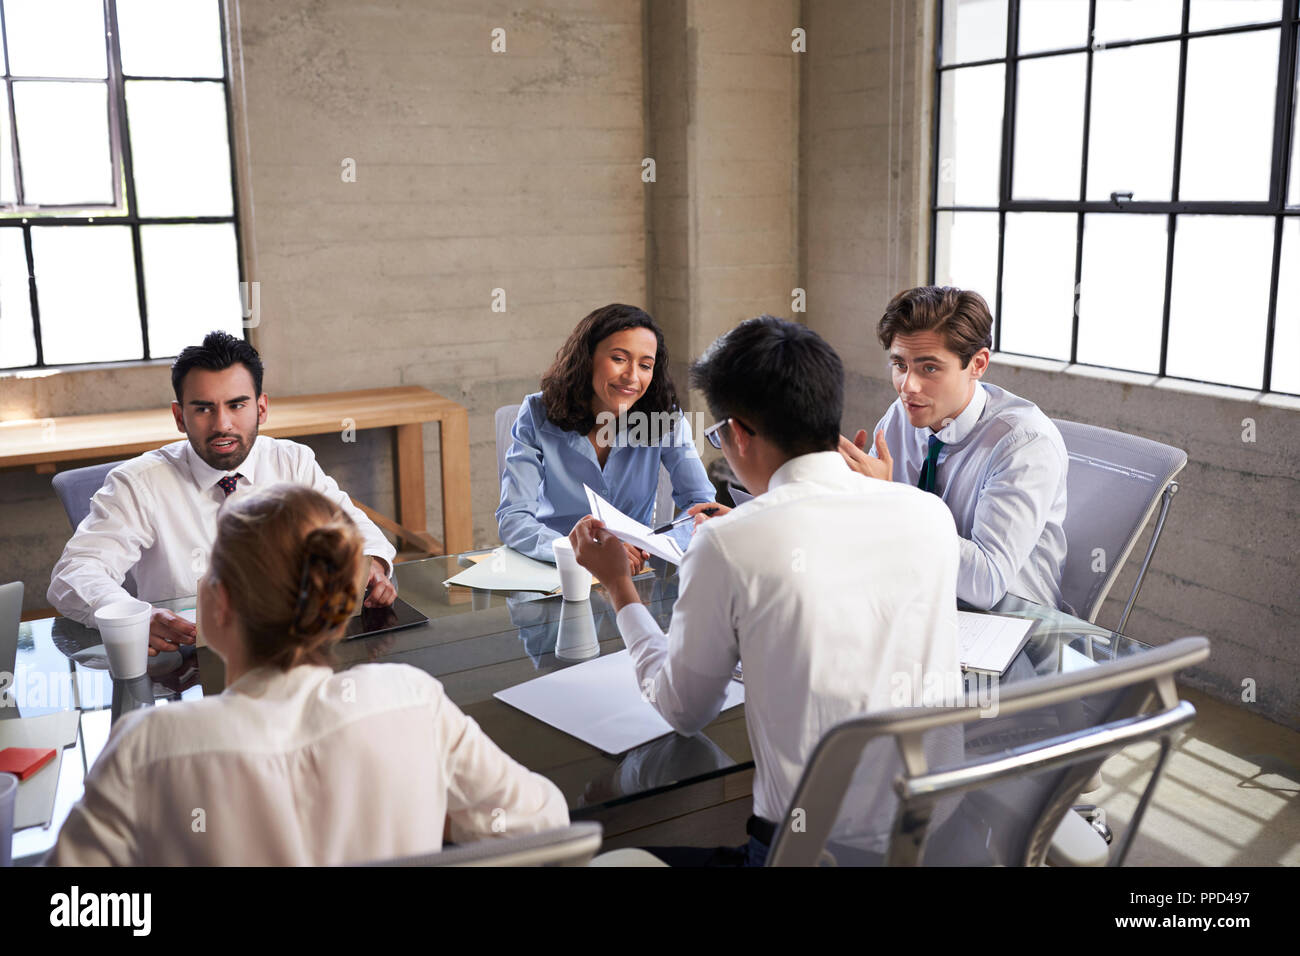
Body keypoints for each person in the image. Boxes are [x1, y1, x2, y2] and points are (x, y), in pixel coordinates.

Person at [568, 316, 962, 866]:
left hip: (800, 853)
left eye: (720, 437)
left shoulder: (732, 544)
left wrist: (617, 587)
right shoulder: (929, 513)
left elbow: (681, 711)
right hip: (937, 838)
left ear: (740, 433)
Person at [49, 483, 568, 866]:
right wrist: (445, 815)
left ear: (217, 603)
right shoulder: (412, 700)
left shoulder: (147, 746)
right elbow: (545, 821)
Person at [48, 331, 398, 656]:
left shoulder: (292, 462)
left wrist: (372, 565)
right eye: (203, 408)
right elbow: (75, 573)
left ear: (261, 408)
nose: (222, 425)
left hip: (287, 649)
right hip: (186, 661)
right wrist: (136, 617)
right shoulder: (138, 483)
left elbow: (355, 528)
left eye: (236, 405)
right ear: (179, 416)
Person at [839, 286, 1068, 610]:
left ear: (978, 364)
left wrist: (886, 500)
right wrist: (846, 493)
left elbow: (986, 583)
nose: (908, 387)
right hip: (919, 606)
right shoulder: (902, 416)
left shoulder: (1025, 444)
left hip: (1010, 630)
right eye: (900, 365)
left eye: (929, 368)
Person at [497, 303, 715, 569]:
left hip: (634, 570)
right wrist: (583, 552)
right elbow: (514, 518)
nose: (632, 377)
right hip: (556, 569)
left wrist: (649, 547)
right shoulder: (536, 413)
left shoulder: (666, 418)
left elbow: (703, 507)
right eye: (619, 359)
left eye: (645, 365)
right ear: (587, 358)